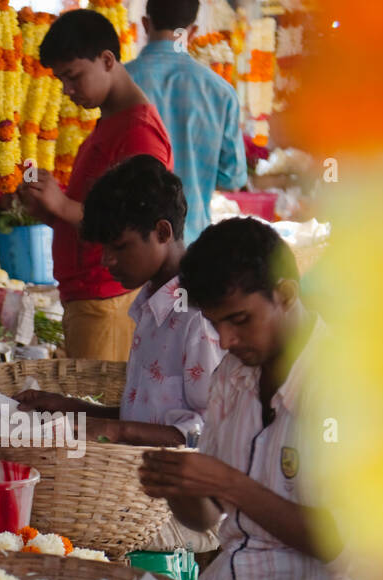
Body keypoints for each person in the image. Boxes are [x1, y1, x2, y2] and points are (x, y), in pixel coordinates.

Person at [137, 217, 359, 580]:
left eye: (240, 320)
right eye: (217, 325)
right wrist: (184, 490)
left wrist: (229, 484)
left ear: (285, 294)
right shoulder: (233, 376)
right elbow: (209, 521)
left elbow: (337, 541)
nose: (229, 341)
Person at [15, 155, 224, 452]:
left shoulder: (196, 316)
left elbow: (209, 433)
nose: (106, 260)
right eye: (103, 247)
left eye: (120, 246)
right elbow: (145, 417)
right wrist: (71, 408)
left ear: (162, 233)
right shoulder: (151, 305)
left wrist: (114, 430)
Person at [18, 8, 173, 363]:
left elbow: (138, 222)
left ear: (106, 60)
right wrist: (48, 210)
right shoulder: (111, 121)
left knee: (92, 408)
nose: (68, 90)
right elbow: (98, 213)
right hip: (90, 297)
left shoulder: (138, 132)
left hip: (107, 299)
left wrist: (61, 206)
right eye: (61, 81)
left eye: (73, 77)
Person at [127, 0, 248, 245]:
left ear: (145, 24)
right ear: (192, 32)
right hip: (192, 246)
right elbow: (232, 178)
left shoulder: (120, 82)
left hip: (131, 248)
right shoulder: (220, 91)